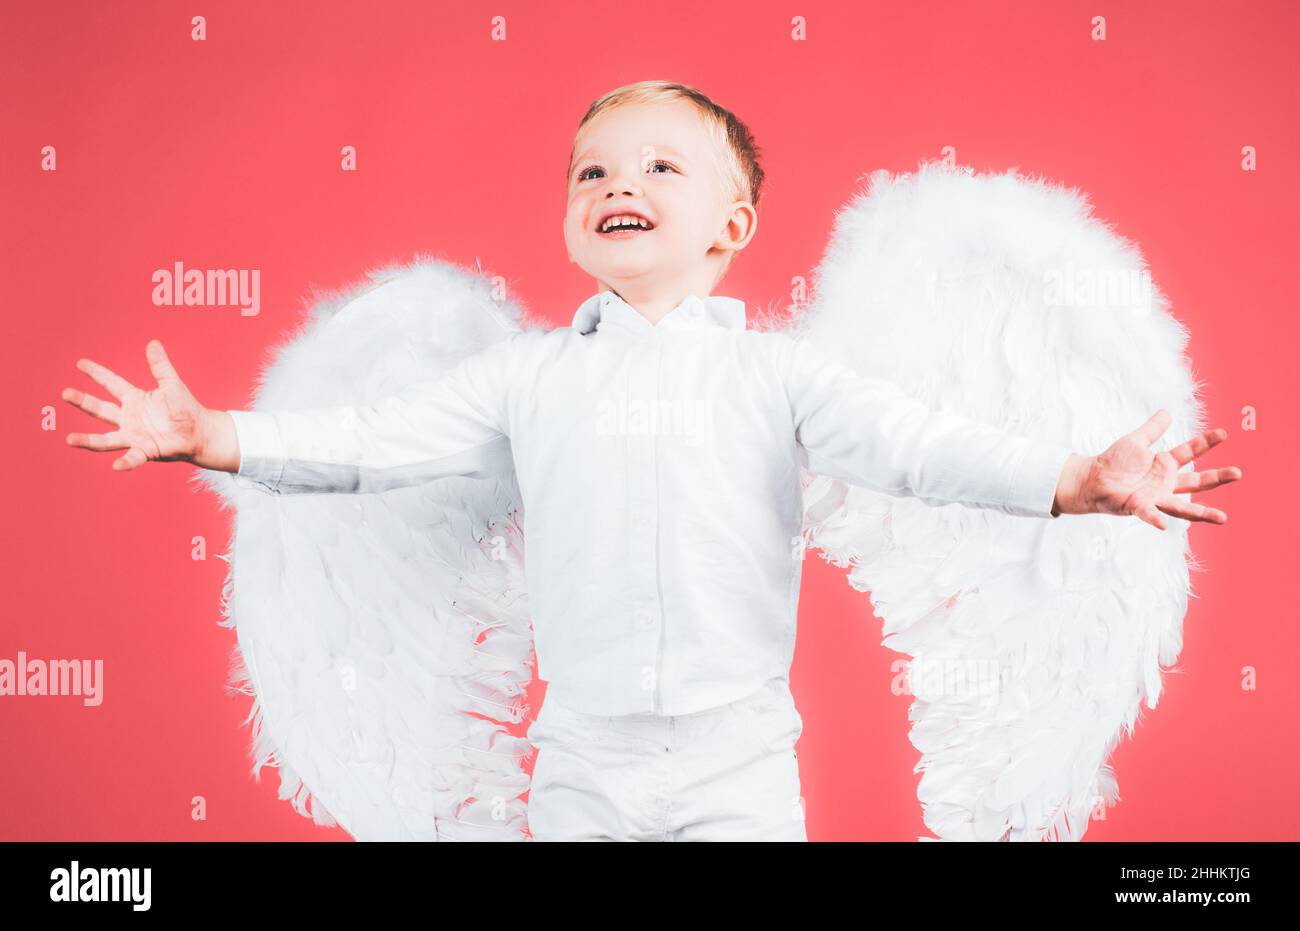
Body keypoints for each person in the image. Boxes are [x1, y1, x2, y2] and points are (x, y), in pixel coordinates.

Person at [61, 81, 1242, 841]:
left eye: (660, 167)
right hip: (582, 760)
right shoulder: (526, 379)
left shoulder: (780, 378)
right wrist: (219, 437)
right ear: (572, 218)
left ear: (732, 229)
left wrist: (1072, 481)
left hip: (740, 766)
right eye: (592, 171)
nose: (618, 183)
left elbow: (920, 450)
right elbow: (374, 445)